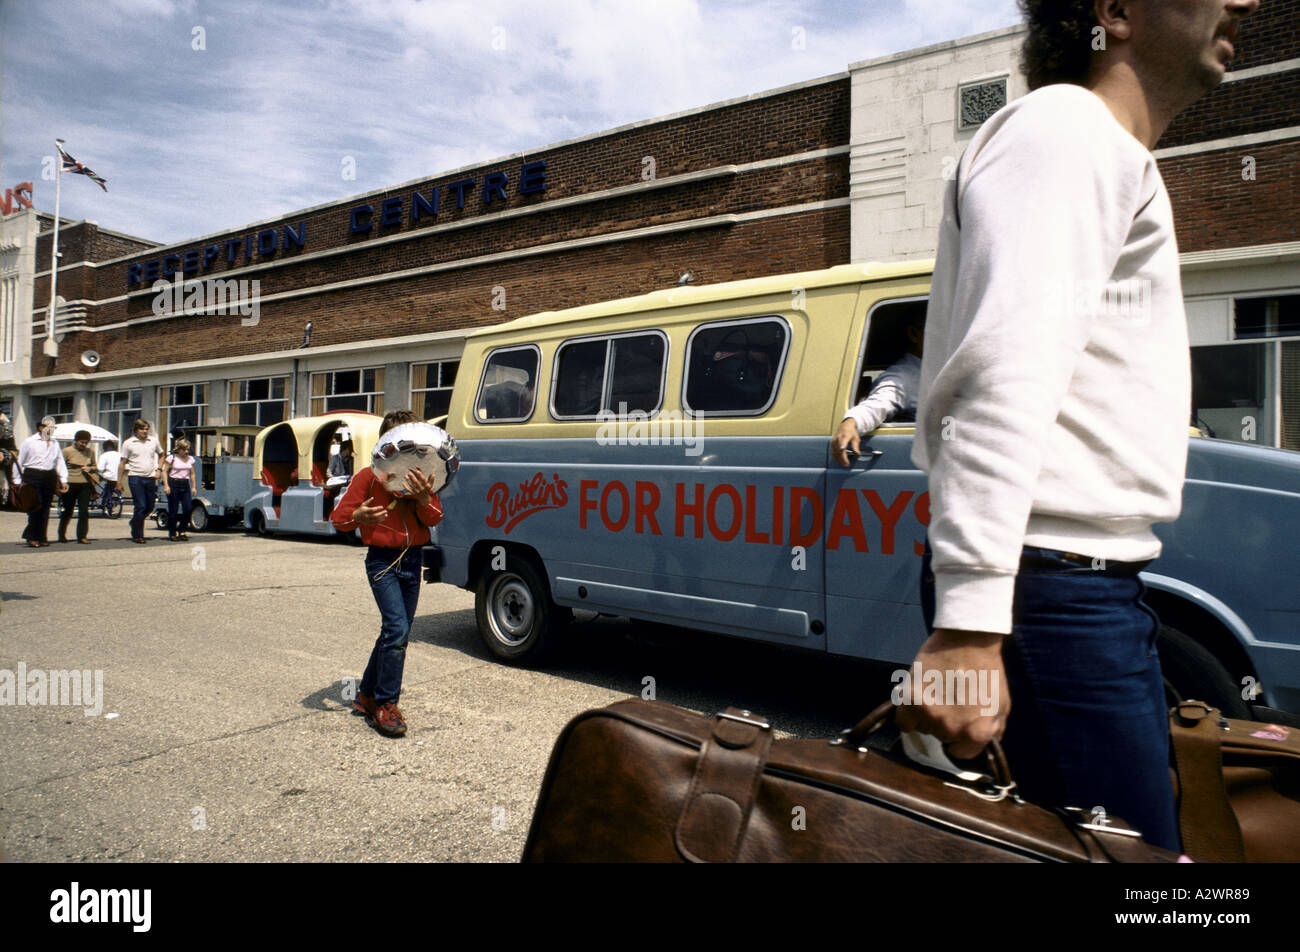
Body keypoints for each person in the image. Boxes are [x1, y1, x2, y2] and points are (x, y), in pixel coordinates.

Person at [897, 0, 1261, 853]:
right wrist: (968, 632)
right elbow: (1002, 372)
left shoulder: (1098, 148)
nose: (1245, 1)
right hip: (1050, 587)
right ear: (1115, 11)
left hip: (1070, 583)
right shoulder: (1066, 130)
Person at [331, 410, 443, 738]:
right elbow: (338, 519)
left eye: (412, 444)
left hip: (411, 562)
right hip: (382, 562)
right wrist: (358, 515)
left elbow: (435, 517)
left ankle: (366, 694)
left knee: (394, 632)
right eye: (398, 443)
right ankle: (386, 703)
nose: (406, 452)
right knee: (397, 631)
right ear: (385, 445)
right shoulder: (368, 477)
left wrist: (424, 498)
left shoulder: (423, 478)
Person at [831, 310, 924, 466]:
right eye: (940, 328)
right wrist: (851, 422)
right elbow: (879, 402)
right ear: (914, 333)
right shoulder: (904, 377)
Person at [15, 417, 70, 547]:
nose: (52, 431)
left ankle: (42, 536)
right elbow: (19, 461)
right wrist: (17, 482)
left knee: (45, 508)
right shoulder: (29, 442)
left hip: (49, 476)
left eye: (53, 428)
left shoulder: (55, 443)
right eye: (49, 428)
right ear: (41, 428)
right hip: (33, 474)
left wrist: (63, 479)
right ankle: (32, 537)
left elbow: (59, 461)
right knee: (35, 506)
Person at [118, 419, 164, 544]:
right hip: (135, 477)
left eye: (146, 429)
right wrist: (119, 481)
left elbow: (161, 455)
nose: (145, 431)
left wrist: (159, 469)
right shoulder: (129, 443)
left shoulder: (153, 441)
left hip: (150, 477)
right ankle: (138, 534)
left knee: (150, 506)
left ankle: (134, 522)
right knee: (141, 506)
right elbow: (122, 462)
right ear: (136, 430)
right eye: (142, 429)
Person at [58, 430, 98, 544]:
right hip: (70, 483)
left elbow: (95, 466)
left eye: (86, 443)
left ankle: (82, 536)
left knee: (84, 511)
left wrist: (90, 468)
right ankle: (62, 534)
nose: (84, 445)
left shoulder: (90, 452)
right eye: (82, 442)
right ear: (76, 440)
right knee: (68, 511)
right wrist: (61, 482)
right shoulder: (66, 451)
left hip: (85, 484)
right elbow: (59, 466)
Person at [162, 438, 197, 541]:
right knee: (173, 509)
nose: (186, 452)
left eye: (188, 450)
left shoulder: (190, 459)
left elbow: (192, 473)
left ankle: (182, 530)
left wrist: (194, 486)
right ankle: (172, 532)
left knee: (188, 508)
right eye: (184, 449)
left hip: (185, 484)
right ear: (179, 449)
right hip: (174, 483)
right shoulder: (171, 458)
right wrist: (166, 485)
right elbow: (164, 472)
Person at [97, 440, 121, 510]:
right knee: (110, 488)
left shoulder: (104, 455)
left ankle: (99, 500)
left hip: (108, 477)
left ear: (104, 448)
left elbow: (100, 468)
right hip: (118, 477)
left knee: (98, 483)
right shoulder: (119, 455)